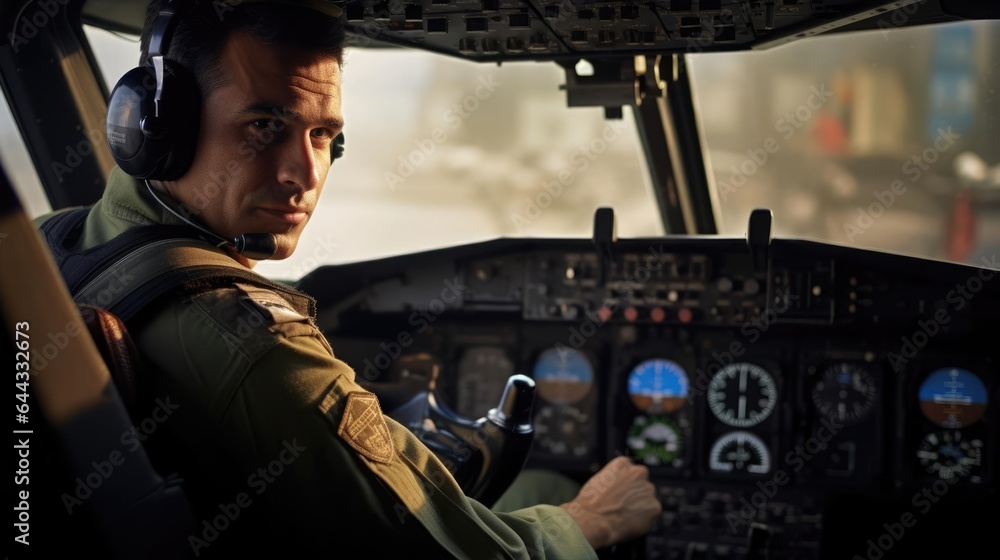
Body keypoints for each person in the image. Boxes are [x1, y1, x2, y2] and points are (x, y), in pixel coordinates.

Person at [35, 1, 661, 557]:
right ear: (159, 127)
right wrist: (590, 520)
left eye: (322, 135)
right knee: (551, 490)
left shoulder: (40, 248)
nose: (304, 174)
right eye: (264, 126)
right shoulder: (253, 347)